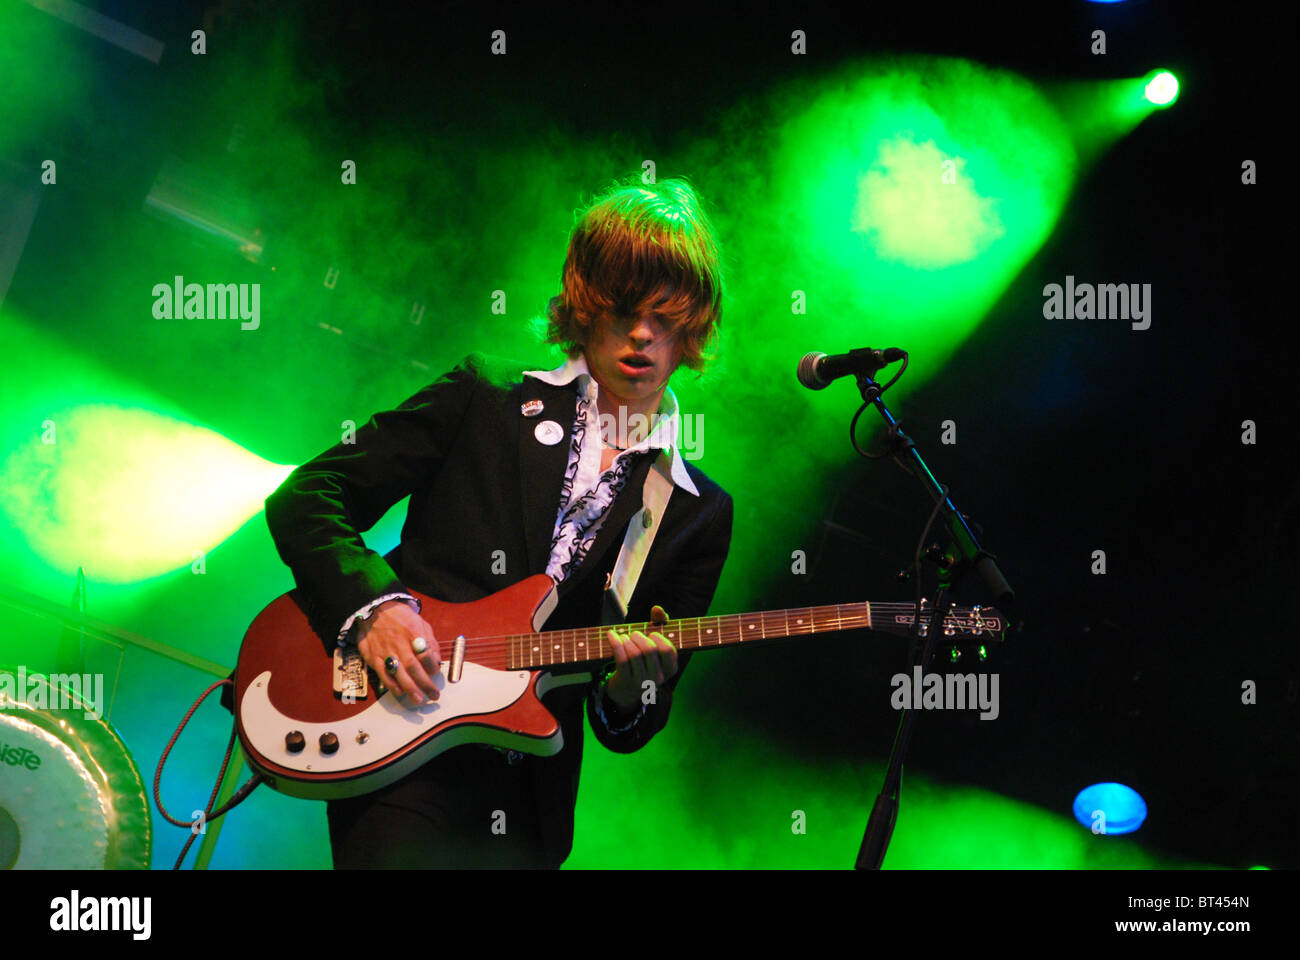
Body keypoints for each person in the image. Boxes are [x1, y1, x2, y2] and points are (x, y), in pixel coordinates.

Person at [261, 176, 733, 868]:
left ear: (692, 326)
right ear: (585, 306)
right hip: (404, 738)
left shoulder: (694, 509)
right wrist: (375, 609)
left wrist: (636, 687)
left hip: (528, 802)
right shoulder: (487, 396)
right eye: (624, 308)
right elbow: (311, 495)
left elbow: (630, 725)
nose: (641, 334)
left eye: (665, 315)